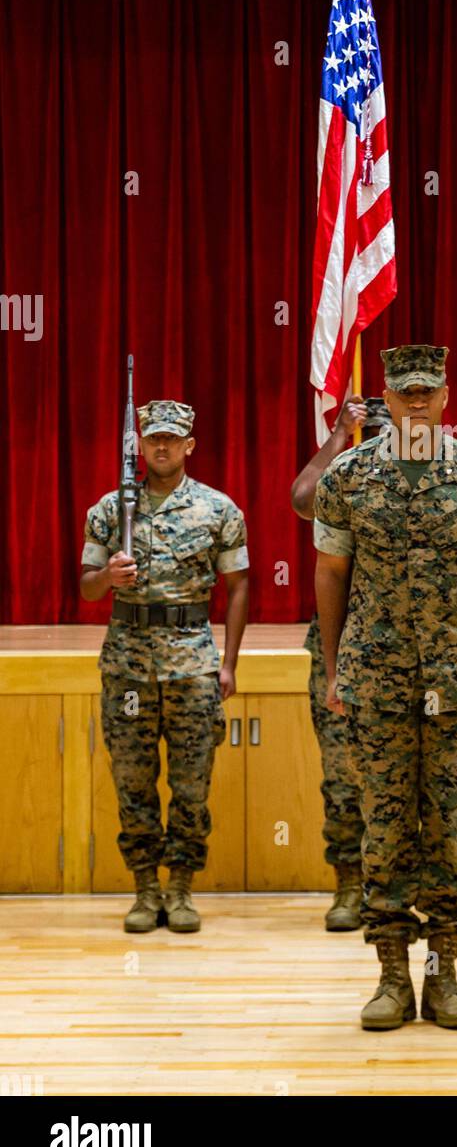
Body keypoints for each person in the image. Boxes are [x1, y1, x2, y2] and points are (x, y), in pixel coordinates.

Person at [314, 344, 457, 1031]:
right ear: (386, 399)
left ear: (447, 395)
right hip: (377, 675)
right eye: (405, 393)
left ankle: (445, 976)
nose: (417, 402)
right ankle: (393, 978)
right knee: (386, 828)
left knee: (451, 830)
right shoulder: (349, 476)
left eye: (428, 391)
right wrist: (336, 665)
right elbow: (332, 575)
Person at [80, 399, 249, 933]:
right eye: (153, 438)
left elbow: (239, 586)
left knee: (192, 783)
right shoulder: (112, 510)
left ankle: (180, 888)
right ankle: (144, 889)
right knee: (132, 782)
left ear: (188, 446)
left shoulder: (218, 509)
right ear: (140, 444)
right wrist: (107, 577)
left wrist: (229, 662)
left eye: (171, 439)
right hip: (128, 663)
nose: (161, 447)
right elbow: (85, 590)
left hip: (192, 663)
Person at [290, 393, 391, 931]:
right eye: (366, 427)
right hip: (340, 644)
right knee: (341, 774)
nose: (373, 435)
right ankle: (349, 884)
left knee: (395, 776)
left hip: (401, 646)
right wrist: (337, 436)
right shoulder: (342, 479)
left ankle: (388, 885)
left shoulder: (417, 478)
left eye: (381, 426)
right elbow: (302, 497)